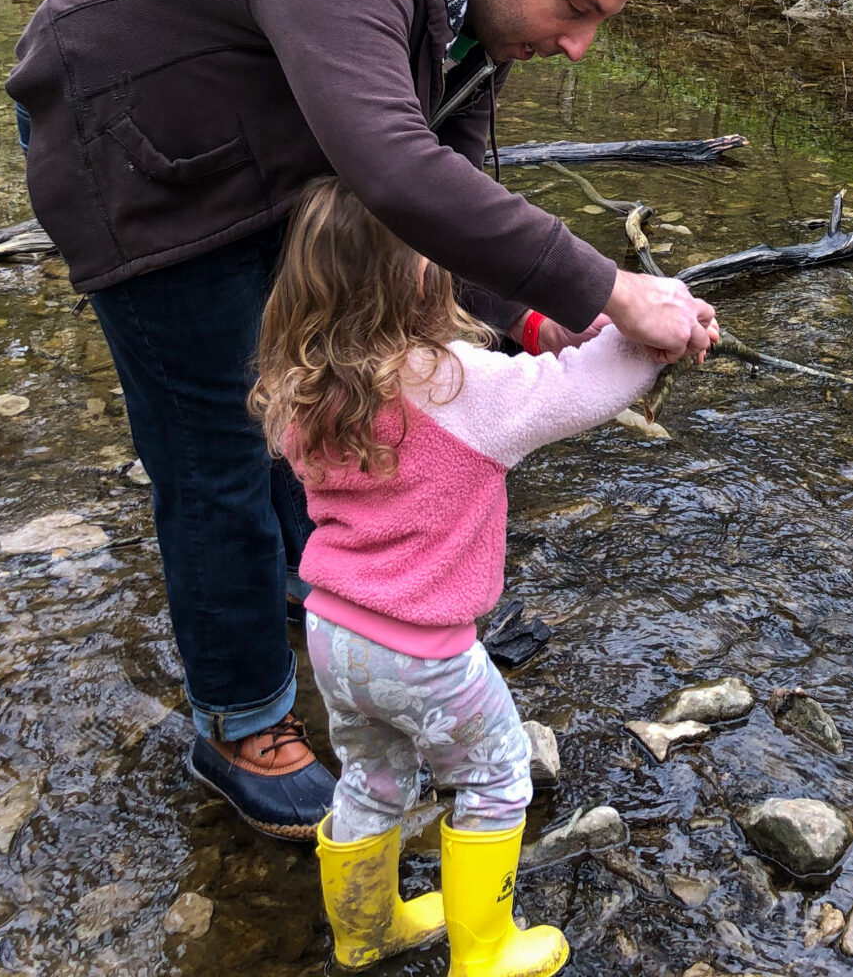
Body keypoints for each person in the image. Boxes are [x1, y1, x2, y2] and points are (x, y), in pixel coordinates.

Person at [7, 0, 716, 840]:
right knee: (216, 446)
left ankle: (338, 598)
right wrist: (611, 288)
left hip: (264, 154)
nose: (576, 44)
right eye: (576, 10)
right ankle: (240, 719)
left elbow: (451, 181)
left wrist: (530, 311)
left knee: (321, 378)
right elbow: (390, 169)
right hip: (131, 152)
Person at [252, 180, 700, 975]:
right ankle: (485, 952)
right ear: (423, 282)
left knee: (371, 778)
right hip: (426, 651)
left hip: (333, 634)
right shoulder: (457, 384)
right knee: (495, 779)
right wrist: (648, 327)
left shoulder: (302, 387)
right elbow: (577, 389)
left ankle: (366, 931)